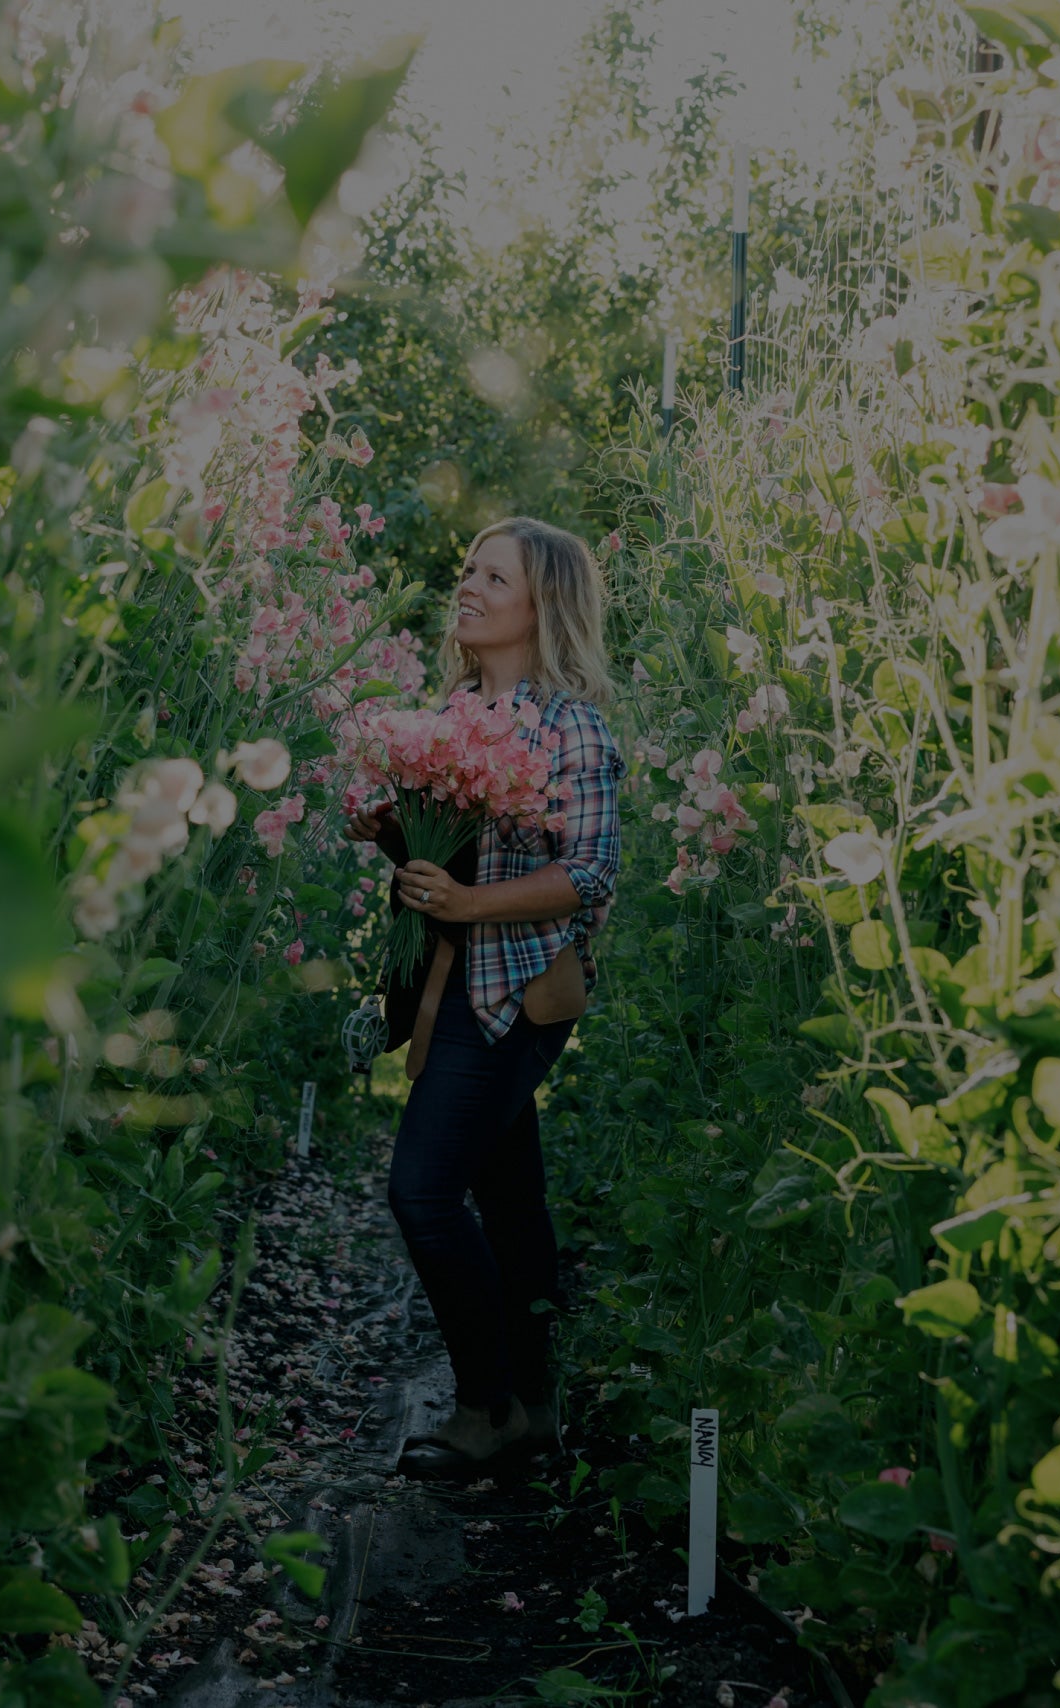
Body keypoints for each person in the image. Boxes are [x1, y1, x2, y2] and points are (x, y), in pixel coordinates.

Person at [343, 516, 623, 1477]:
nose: (466, 587)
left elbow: (589, 872)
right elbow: (439, 852)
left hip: (517, 994)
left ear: (540, 604)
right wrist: (392, 827)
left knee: (421, 1190)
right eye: (466, 570)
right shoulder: (454, 709)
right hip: (450, 983)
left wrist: (468, 900)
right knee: (507, 1197)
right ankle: (537, 1402)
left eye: (490, 577)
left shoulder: (568, 725)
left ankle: (486, 1404)